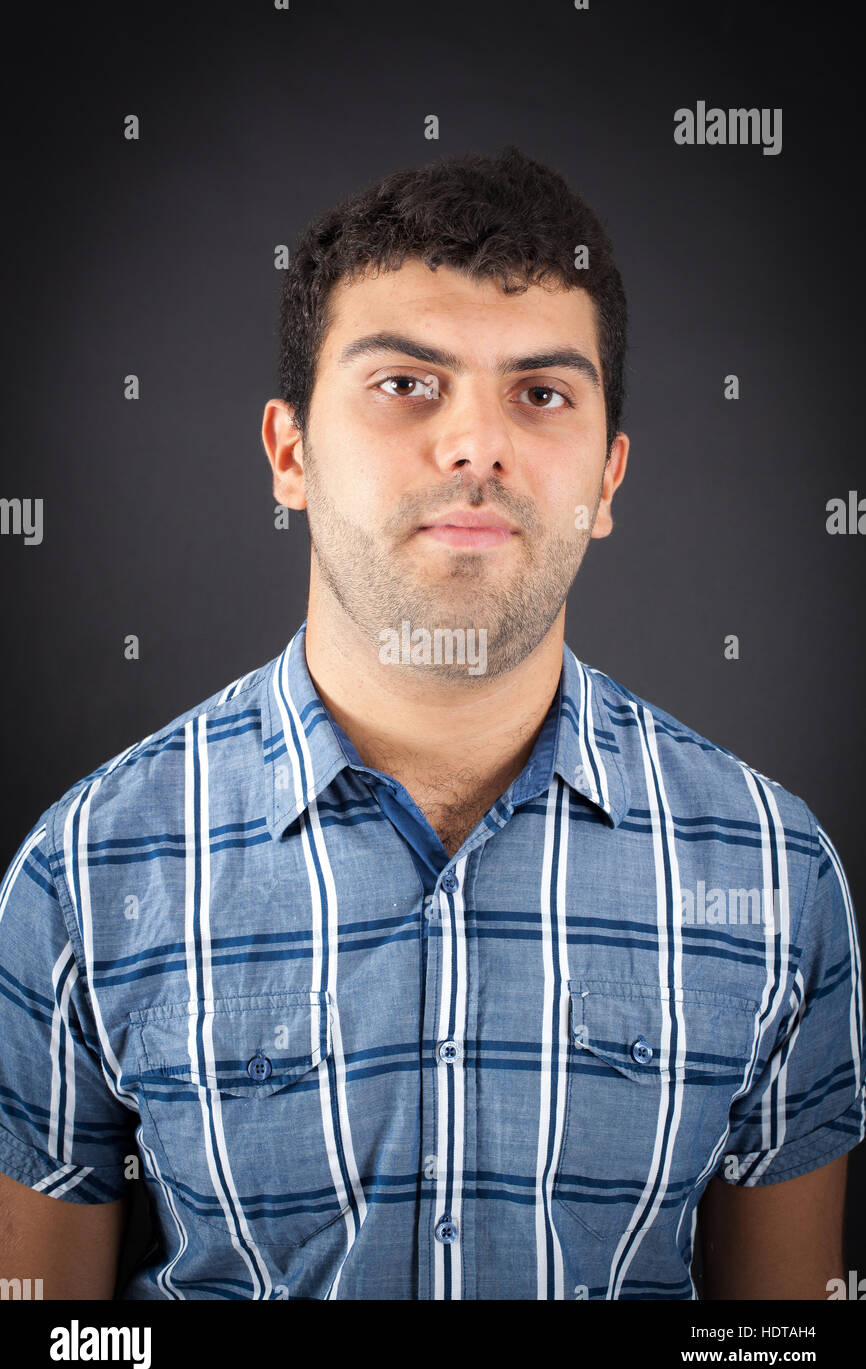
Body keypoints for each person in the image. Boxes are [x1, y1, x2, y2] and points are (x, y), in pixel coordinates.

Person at [0, 146, 862, 1301]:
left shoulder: (772, 868)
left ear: (605, 478)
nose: (475, 446)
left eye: (540, 393)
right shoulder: (84, 869)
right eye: (406, 383)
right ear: (290, 453)